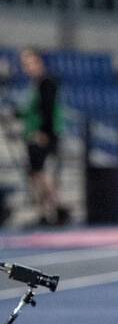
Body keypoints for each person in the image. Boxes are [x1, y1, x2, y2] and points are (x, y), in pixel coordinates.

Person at [19, 48, 69, 226]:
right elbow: (31, 110)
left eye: (30, 63)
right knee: (35, 174)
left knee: (40, 173)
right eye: (24, 64)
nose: (27, 67)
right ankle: (46, 212)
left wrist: (43, 132)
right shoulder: (33, 85)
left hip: (43, 134)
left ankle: (57, 207)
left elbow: (47, 108)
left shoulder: (46, 82)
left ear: (39, 63)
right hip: (33, 134)